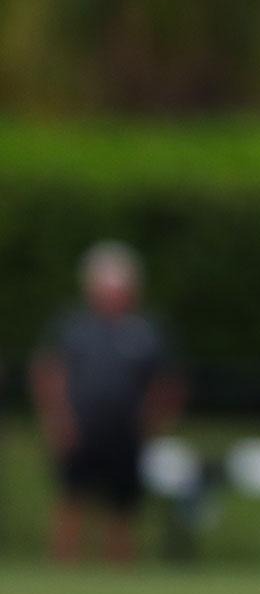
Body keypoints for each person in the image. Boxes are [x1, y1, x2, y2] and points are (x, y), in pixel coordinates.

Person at [32, 241, 183, 564]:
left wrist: (154, 421)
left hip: (126, 431)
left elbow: (166, 381)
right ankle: (63, 567)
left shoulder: (147, 330)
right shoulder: (73, 327)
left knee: (123, 506)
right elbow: (49, 372)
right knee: (72, 498)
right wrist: (58, 419)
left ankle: (119, 571)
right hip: (81, 427)